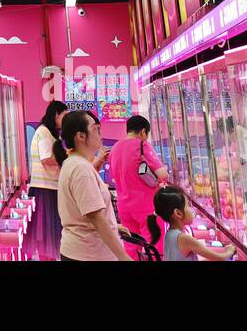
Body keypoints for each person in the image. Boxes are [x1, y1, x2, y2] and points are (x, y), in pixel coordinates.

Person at [57, 109, 132, 261]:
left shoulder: (77, 164)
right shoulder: (81, 169)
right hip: (88, 253)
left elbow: (84, 214)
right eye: (95, 129)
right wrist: (124, 257)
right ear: (80, 136)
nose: (100, 133)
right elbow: (96, 219)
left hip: (84, 251)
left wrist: (113, 226)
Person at [108, 114, 171, 259]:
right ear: (143, 132)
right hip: (147, 208)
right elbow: (162, 175)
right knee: (154, 246)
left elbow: (113, 177)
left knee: (131, 247)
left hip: (124, 208)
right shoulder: (142, 145)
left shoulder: (114, 149)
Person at [148, 185, 235, 261]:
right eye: (188, 205)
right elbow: (219, 257)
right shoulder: (184, 239)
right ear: (178, 213)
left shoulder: (169, 234)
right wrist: (229, 251)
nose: (191, 209)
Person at [28, 100, 67, 260]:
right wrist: (67, 155)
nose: (65, 120)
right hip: (45, 189)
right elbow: (46, 159)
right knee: (46, 236)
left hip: (49, 188)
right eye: (64, 116)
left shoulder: (49, 133)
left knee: (48, 236)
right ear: (56, 114)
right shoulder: (44, 132)